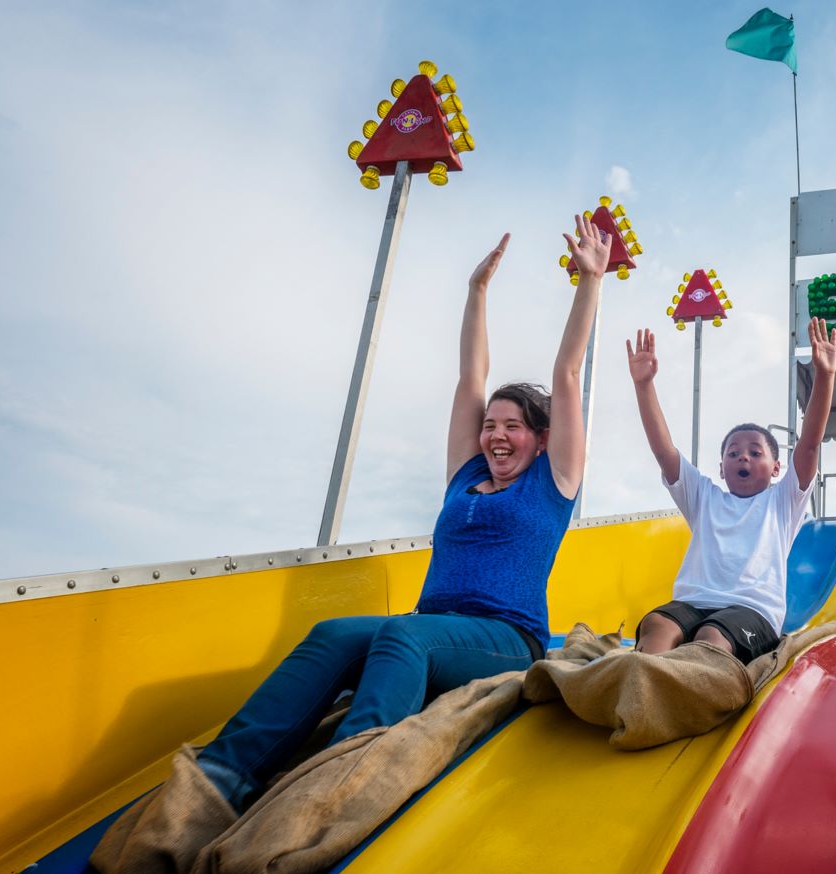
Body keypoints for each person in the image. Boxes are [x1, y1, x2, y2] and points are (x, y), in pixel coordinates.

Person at [194, 216, 612, 811]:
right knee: (332, 634)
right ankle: (220, 775)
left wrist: (590, 283)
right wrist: (477, 293)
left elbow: (566, 374)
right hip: (432, 627)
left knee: (401, 635)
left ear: (541, 438)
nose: (495, 435)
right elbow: (471, 376)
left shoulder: (554, 483)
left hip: (505, 639)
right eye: (489, 425)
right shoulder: (465, 479)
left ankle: (338, 786)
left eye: (512, 426)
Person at [624, 316, 836, 662]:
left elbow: (809, 445)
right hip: (692, 603)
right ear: (721, 468)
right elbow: (664, 451)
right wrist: (644, 385)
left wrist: (825, 376)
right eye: (734, 453)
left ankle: (696, 687)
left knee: (712, 636)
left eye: (756, 453)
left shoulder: (782, 501)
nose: (744, 458)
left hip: (751, 609)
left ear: (776, 467)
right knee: (656, 625)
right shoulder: (704, 497)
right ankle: (646, 679)